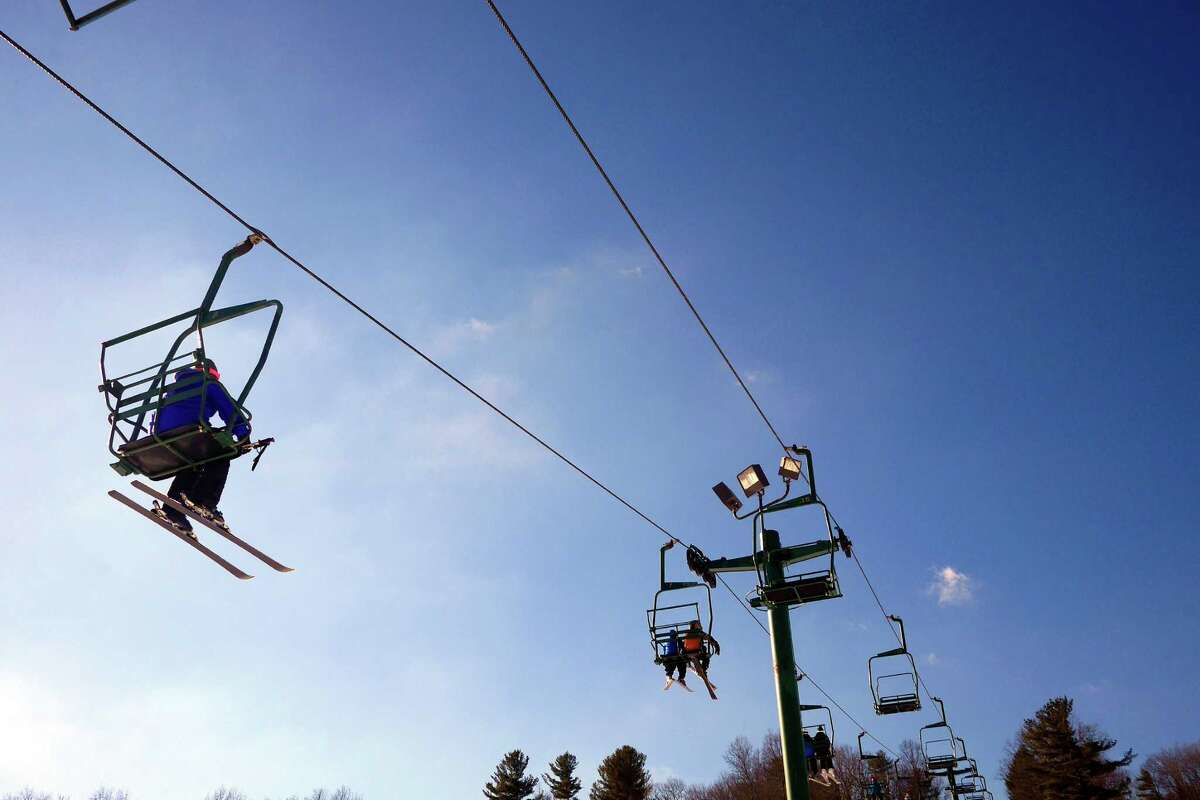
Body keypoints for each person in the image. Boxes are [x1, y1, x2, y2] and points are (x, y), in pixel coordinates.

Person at [151, 358, 249, 536]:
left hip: (163, 434)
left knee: (193, 463)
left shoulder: (174, 387)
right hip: (189, 430)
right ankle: (205, 501)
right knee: (221, 454)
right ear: (211, 372)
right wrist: (243, 435)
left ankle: (173, 510)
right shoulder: (209, 383)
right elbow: (228, 410)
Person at [681, 620, 720, 690]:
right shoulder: (699, 633)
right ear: (697, 625)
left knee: (697, 652)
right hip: (698, 652)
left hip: (687, 654)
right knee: (706, 656)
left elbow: (684, 644)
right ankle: (703, 669)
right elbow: (709, 638)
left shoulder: (687, 634)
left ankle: (695, 666)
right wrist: (716, 645)